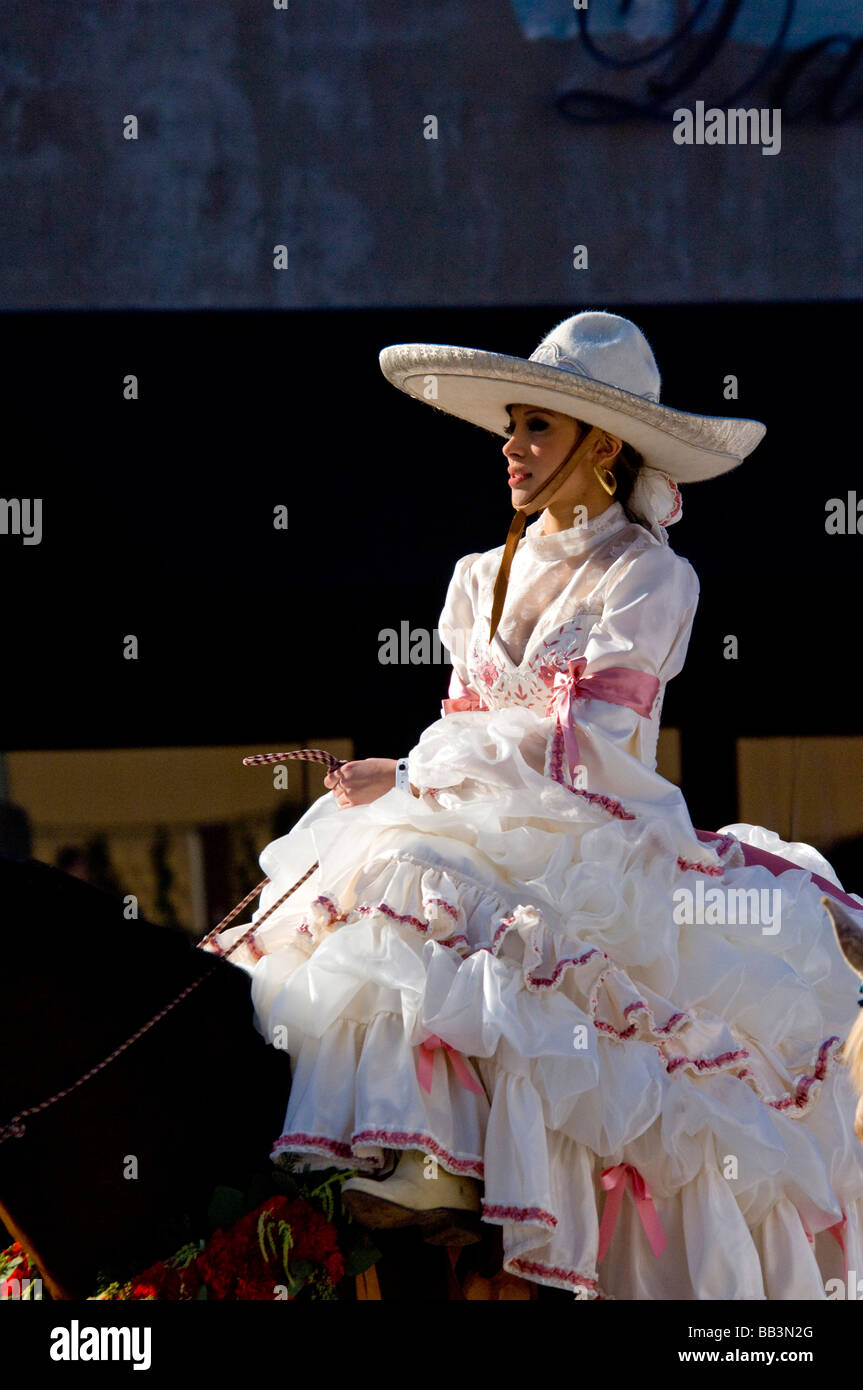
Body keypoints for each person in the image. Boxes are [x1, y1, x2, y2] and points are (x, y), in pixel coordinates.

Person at [211, 311, 863, 1299]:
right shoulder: (476, 577)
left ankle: (458, 1172)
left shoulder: (648, 574)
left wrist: (418, 778)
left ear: (601, 445)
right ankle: (393, 1151)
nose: (511, 446)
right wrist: (411, 772)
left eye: (538, 428)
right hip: (477, 800)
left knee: (427, 884)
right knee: (368, 883)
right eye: (512, 425)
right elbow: (461, 716)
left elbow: (590, 751)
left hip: (597, 830)